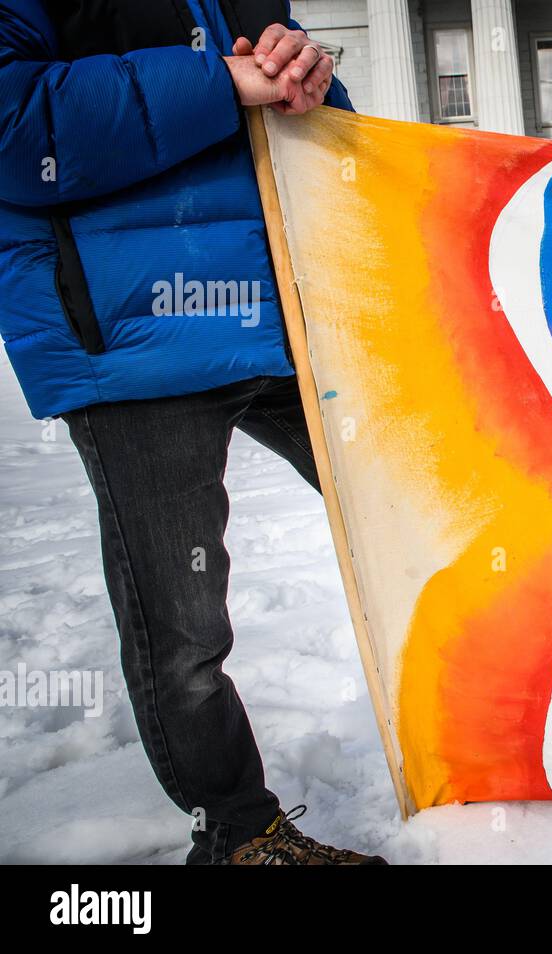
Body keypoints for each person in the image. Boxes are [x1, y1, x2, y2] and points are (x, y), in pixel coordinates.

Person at [0, 0, 387, 865]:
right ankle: (240, 836)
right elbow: (12, 125)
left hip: (281, 310)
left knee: (422, 515)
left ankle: (505, 728)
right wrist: (218, 81)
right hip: (133, 338)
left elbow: (294, 121)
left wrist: (311, 81)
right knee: (184, 629)